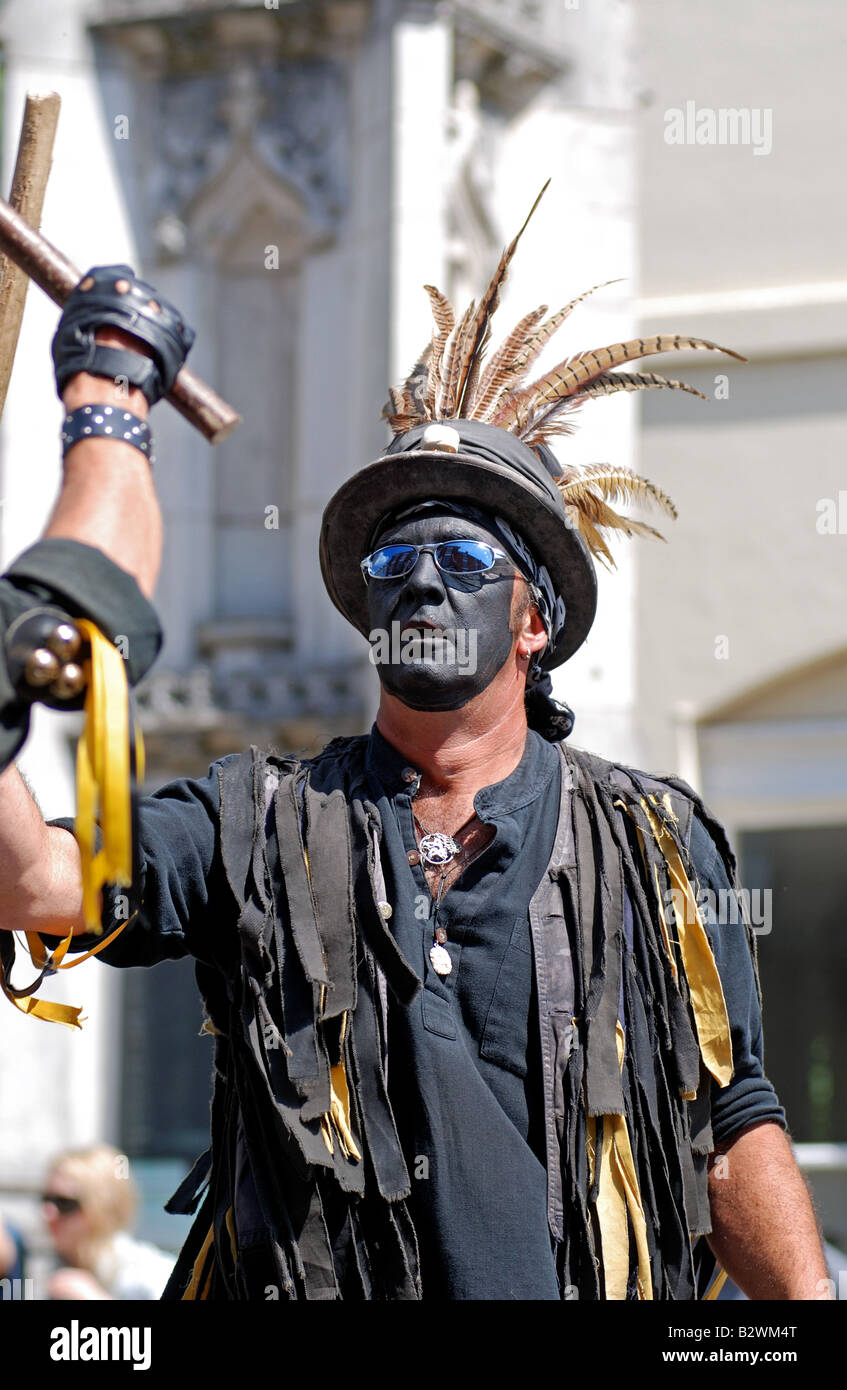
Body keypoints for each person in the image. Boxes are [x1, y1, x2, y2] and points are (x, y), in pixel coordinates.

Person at [0, 218, 830, 1301]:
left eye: (467, 556)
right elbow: (36, 883)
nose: (423, 580)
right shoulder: (254, 821)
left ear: (534, 622)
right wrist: (104, 420)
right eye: (394, 556)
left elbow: (728, 1120)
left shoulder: (651, 844)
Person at [42, 1144, 174, 1300]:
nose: (48, 1214)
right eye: (45, 1200)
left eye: (64, 1203)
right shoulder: (56, 1269)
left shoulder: (149, 1273)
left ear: (101, 1206)